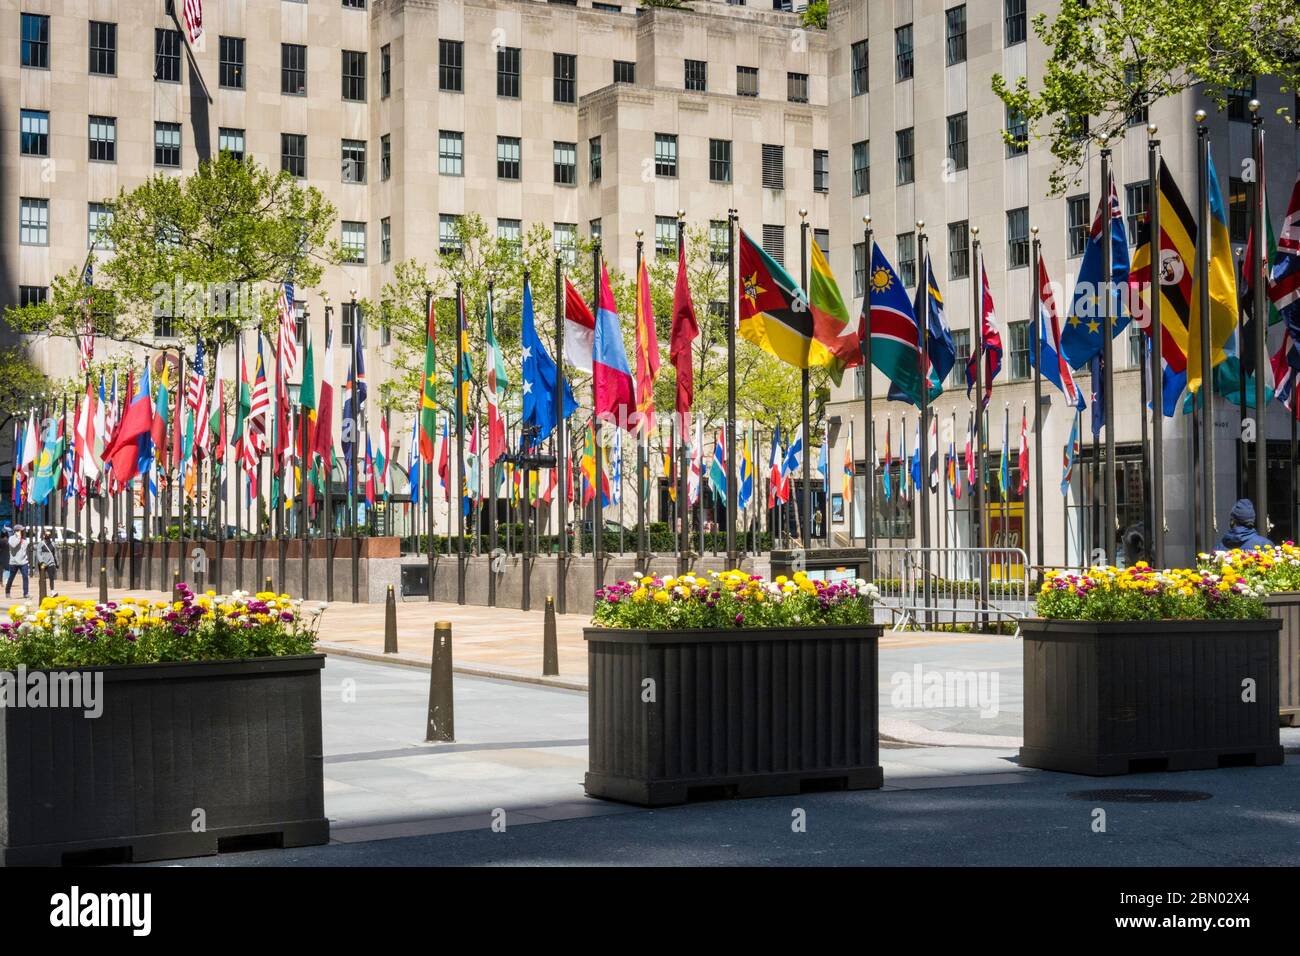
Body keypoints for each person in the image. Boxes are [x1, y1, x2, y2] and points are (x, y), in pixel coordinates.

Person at [5, 526, 30, 599]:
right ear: (16, 531)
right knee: (11, 577)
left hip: (23, 562)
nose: (22, 532)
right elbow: (13, 545)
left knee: (25, 577)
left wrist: (26, 559)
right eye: (21, 530)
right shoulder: (11, 539)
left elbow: (25, 551)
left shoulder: (24, 540)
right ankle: (7, 591)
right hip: (14, 562)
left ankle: (26, 593)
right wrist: (18, 537)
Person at [34, 531, 58, 597]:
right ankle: (42, 591)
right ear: (44, 535)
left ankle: (52, 591)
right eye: (46, 534)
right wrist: (41, 561)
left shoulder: (53, 544)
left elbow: (55, 554)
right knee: (42, 578)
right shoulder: (41, 544)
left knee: (51, 577)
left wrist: (57, 563)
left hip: (51, 563)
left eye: (49, 534)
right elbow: (38, 553)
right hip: (43, 563)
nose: (48, 536)